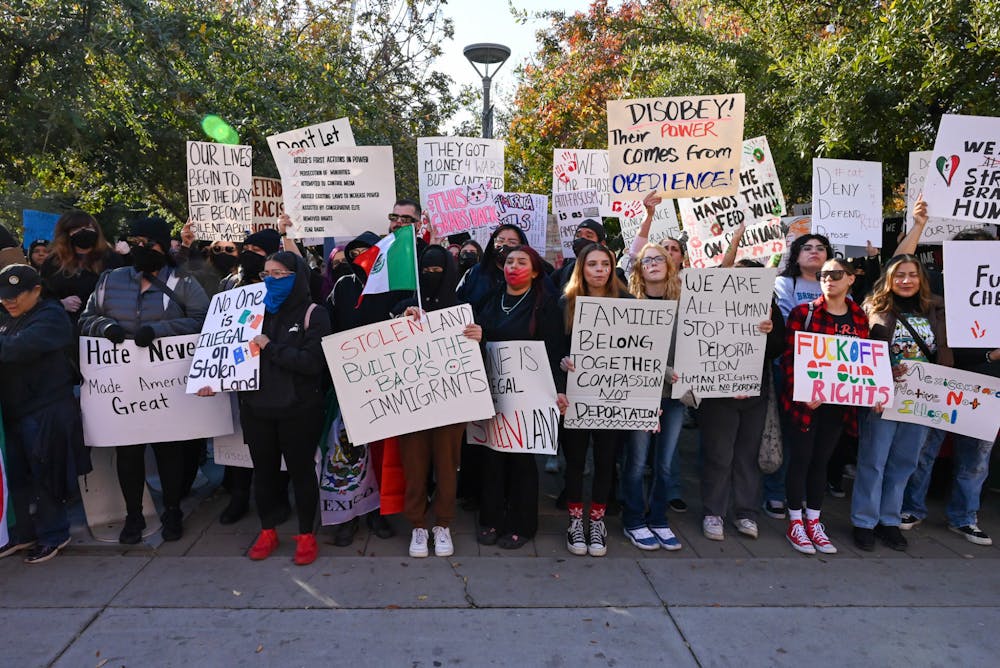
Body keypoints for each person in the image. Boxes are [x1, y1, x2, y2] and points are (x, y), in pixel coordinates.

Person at [78, 217, 209, 544]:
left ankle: (173, 510)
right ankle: (134, 516)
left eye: (147, 243)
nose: (140, 249)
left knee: (169, 451)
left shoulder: (183, 283)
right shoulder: (110, 280)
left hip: (166, 388)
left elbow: (203, 320)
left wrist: (159, 332)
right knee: (129, 454)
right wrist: (105, 328)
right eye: (134, 242)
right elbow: (87, 318)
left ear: (163, 247)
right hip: (124, 389)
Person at [204, 251, 331, 565]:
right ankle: (267, 530)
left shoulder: (315, 313)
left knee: (301, 473)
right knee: (263, 474)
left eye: (278, 274)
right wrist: (212, 378)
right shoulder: (251, 312)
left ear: (296, 276)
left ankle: (305, 535)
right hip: (257, 409)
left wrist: (270, 347)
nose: (270, 280)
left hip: (299, 410)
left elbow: (312, 363)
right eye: (266, 274)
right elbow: (228, 352)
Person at [901, 226, 998, 546]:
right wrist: (917, 224)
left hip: (987, 384)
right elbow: (901, 260)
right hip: (941, 379)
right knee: (923, 450)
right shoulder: (935, 283)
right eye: (971, 250)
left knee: (976, 459)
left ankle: (964, 517)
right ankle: (912, 508)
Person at [851, 254, 952, 551]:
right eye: (899, 275)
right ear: (889, 279)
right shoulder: (874, 307)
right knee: (874, 460)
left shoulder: (936, 308)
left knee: (905, 462)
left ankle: (889, 521)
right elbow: (860, 351)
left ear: (922, 279)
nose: (906, 280)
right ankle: (864, 521)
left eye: (912, 274)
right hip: (883, 395)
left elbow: (944, 350)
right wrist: (881, 376)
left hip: (921, 397)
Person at [473, 246, 567, 549]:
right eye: (509, 262)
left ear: (535, 270)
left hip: (530, 397)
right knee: (491, 458)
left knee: (522, 462)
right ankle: (490, 519)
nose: (513, 266)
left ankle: (522, 524)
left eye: (521, 262)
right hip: (493, 392)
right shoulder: (490, 300)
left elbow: (554, 350)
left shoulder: (546, 305)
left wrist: (559, 389)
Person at [0, 265, 90, 563]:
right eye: (3, 296)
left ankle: (54, 533)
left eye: (16, 295)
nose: (8, 301)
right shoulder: (8, 318)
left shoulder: (51, 316)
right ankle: (22, 533)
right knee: (17, 477)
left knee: (46, 475)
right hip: (14, 411)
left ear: (36, 290)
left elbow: (18, 348)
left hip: (46, 409)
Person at [393, 246, 480, 557]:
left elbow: (475, 359)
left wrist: (477, 337)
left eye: (437, 271)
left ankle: (442, 523)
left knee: (446, 466)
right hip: (411, 405)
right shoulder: (404, 306)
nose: (432, 276)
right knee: (414, 467)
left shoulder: (462, 310)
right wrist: (399, 321)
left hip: (450, 404)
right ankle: (418, 524)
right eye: (426, 271)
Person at [780, 258, 869, 555]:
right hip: (806, 404)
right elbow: (791, 359)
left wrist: (870, 391)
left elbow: (864, 364)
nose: (829, 279)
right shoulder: (803, 313)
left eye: (836, 274)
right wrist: (802, 392)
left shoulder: (858, 317)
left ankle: (814, 521)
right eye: (824, 275)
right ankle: (795, 521)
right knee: (801, 459)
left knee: (822, 461)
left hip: (837, 406)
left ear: (851, 279)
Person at [699, 259, 786, 542]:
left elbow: (778, 349)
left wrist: (770, 331)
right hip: (718, 393)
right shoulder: (711, 306)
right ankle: (714, 512)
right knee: (719, 455)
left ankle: (746, 512)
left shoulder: (769, 309)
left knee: (747, 456)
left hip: (755, 393)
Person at [559, 243, 632, 557]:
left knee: (605, 462)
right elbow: (552, 348)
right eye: (593, 264)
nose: (599, 270)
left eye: (605, 264)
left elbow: (641, 352)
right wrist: (562, 369)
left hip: (612, 397)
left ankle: (597, 520)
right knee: (574, 462)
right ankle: (576, 520)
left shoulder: (628, 302)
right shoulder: (565, 303)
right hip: (575, 397)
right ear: (582, 268)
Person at [762, 232, 835, 519]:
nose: (814, 252)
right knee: (785, 432)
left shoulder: (837, 283)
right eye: (807, 248)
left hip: (829, 373)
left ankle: (802, 492)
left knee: (813, 439)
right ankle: (775, 492)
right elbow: (788, 321)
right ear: (796, 254)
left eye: (820, 248)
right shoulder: (784, 283)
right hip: (790, 368)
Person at [619, 242, 686, 551]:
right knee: (636, 461)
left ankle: (658, 518)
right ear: (639, 268)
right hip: (640, 394)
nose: (655, 263)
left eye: (660, 258)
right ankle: (634, 520)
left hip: (674, 395)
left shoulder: (685, 302)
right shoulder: (629, 303)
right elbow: (627, 351)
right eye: (648, 260)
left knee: (665, 463)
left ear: (670, 265)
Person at [39, 211, 123, 329]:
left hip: (100, 327)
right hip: (63, 326)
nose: (84, 232)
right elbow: (42, 294)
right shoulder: (53, 262)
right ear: (66, 233)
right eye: (77, 229)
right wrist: (60, 303)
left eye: (88, 227)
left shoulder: (110, 258)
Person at [457, 224, 529, 308]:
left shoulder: (530, 276)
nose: (504, 245)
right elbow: (457, 302)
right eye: (500, 240)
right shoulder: (475, 272)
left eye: (512, 242)